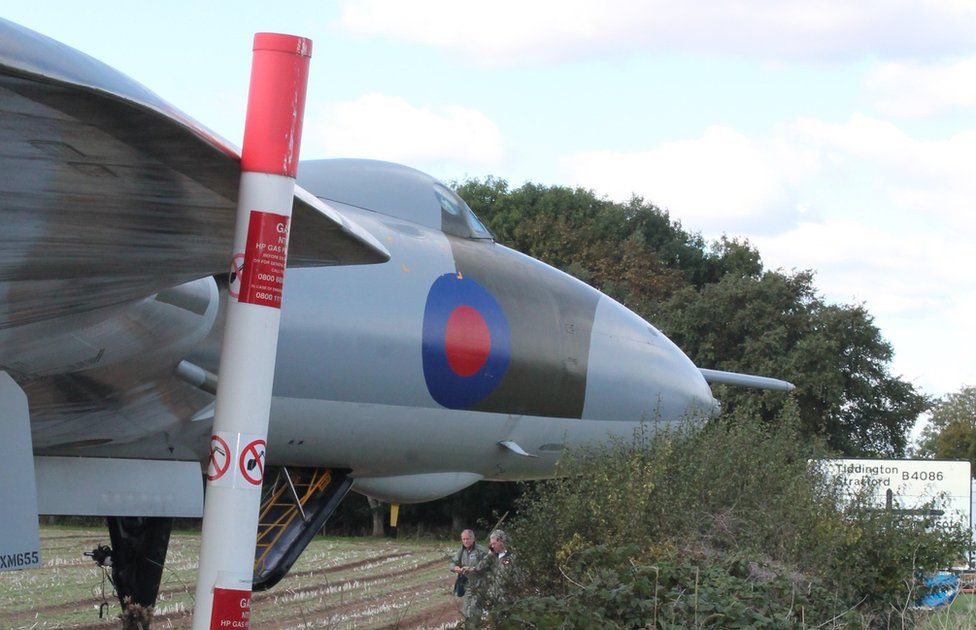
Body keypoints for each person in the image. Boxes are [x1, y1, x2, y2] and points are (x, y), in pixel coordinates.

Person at [451, 529, 487, 623]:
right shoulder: (461, 551)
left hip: (480, 584)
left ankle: (476, 625)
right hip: (467, 585)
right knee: (466, 610)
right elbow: (452, 563)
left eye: (467, 539)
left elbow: (488, 565)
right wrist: (455, 568)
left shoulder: (481, 551)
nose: (465, 541)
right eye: (463, 539)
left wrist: (473, 568)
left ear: (473, 539)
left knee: (475, 608)